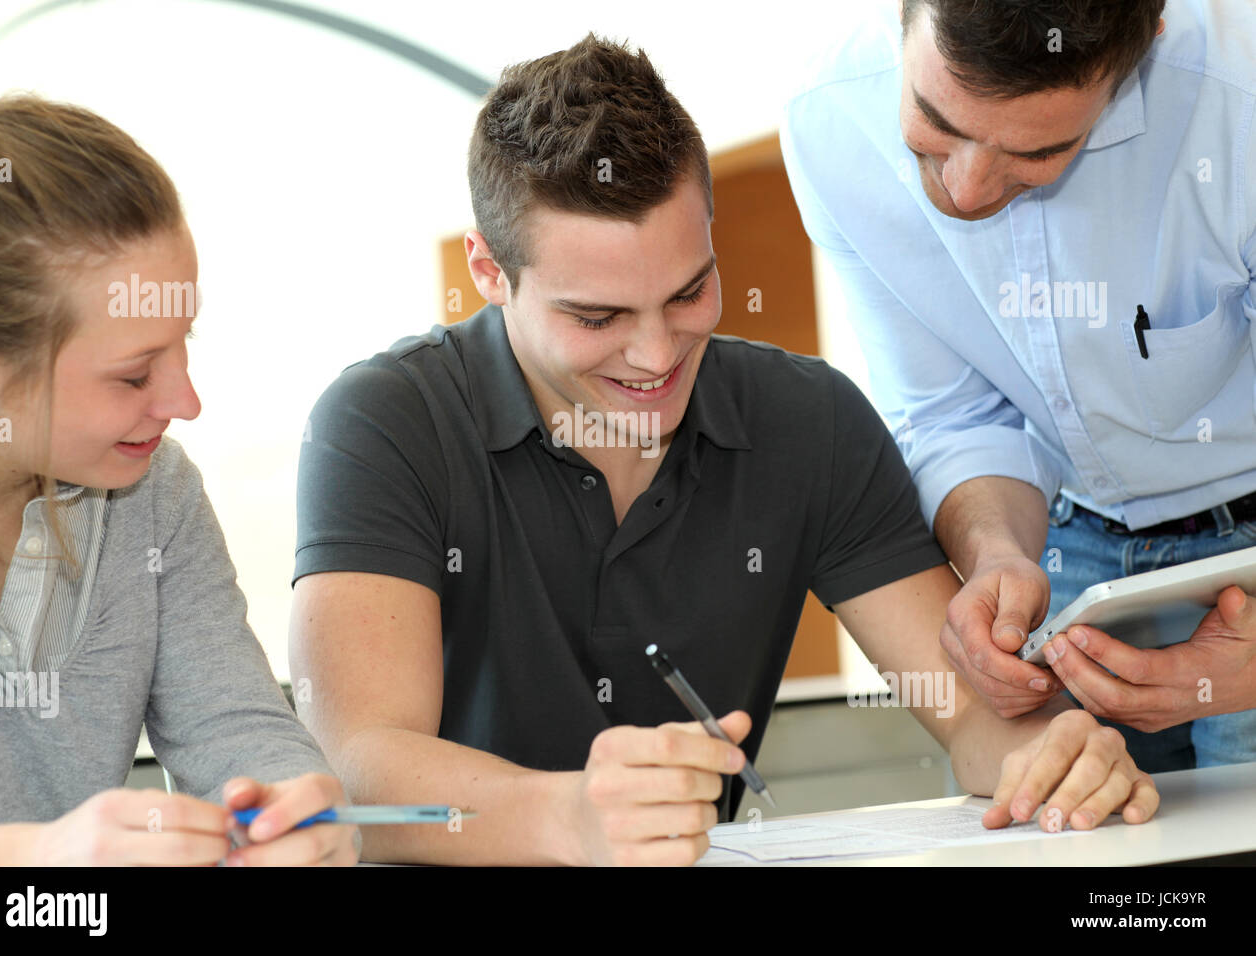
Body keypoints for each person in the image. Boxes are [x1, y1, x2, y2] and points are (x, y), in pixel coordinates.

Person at [290, 34, 1158, 867]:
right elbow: (360, 770)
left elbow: (974, 718)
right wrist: (571, 818)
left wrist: (1056, 758)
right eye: (597, 318)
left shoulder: (807, 420)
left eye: (690, 290)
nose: (658, 356)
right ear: (488, 270)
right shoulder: (381, 423)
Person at [781, 0, 1256, 771]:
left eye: (1039, 151)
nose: (965, 192)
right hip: (1066, 547)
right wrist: (996, 554)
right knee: (1085, 850)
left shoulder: (1241, 101)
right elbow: (954, 414)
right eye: (936, 121)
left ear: (1143, 53)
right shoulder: (829, 119)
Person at [0, 76, 356, 866]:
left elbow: (231, 728)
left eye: (186, 344)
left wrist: (291, 809)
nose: (187, 402)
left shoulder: (154, 491)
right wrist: (34, 858)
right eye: (135, 375)